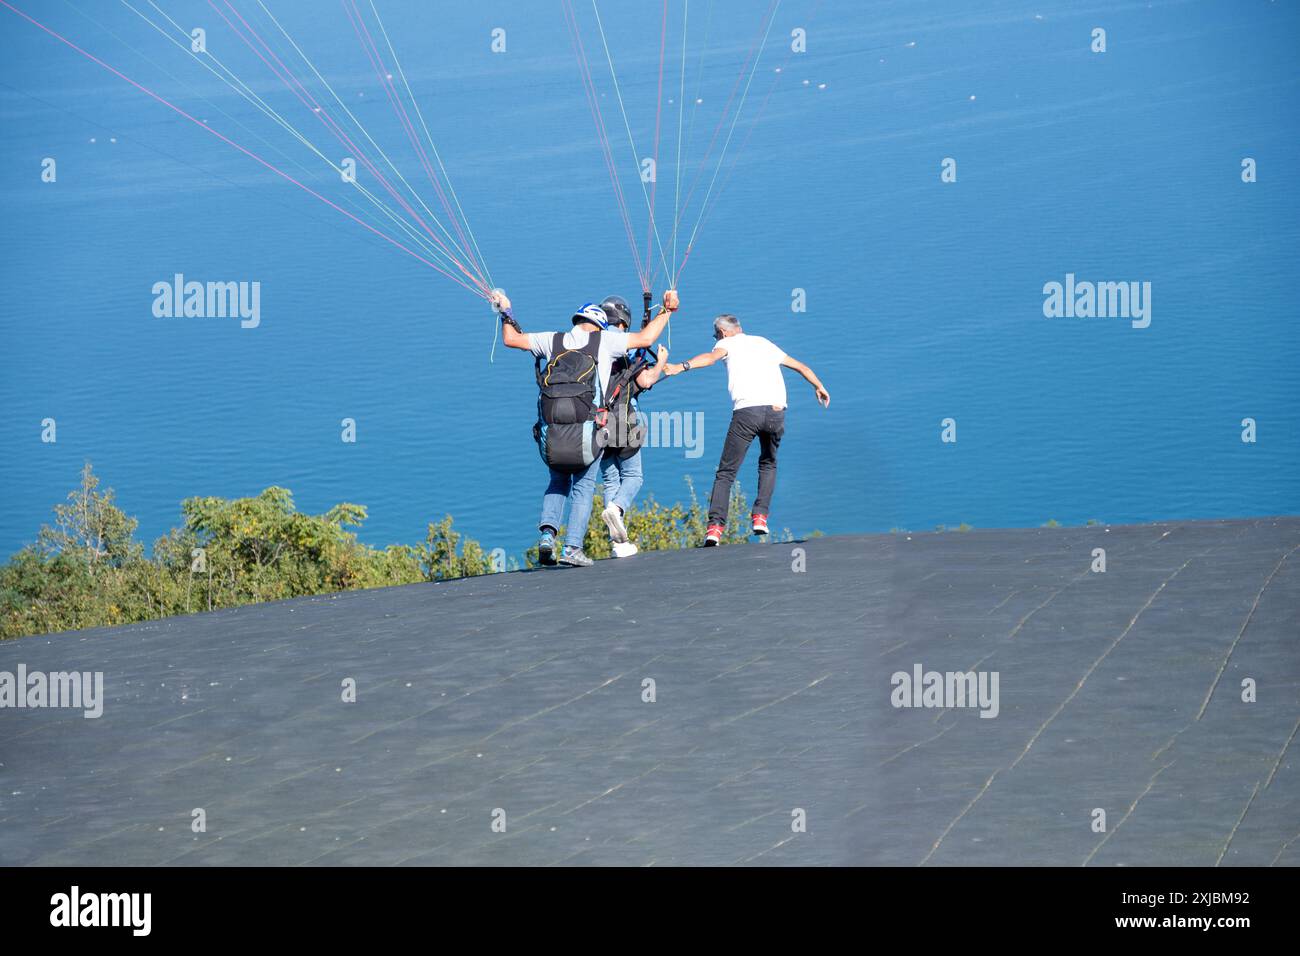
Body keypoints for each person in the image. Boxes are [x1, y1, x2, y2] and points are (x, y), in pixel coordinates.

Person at [493, 288, 678, 567]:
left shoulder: (552, 340)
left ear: (577, 319)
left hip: (552, 432)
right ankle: (572, 549)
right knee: (583, 487)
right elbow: (647, 338)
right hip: (587, 433)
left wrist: (505, 310)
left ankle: (547, 536)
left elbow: (511, 339)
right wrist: (667, 310)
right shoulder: (604, 341)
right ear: (600, 324)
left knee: (557, 482)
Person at [664, 313, 828, 546]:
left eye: (715, 334)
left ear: (722, 332)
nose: (715, 338)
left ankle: (715, 529)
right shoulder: (763, 342)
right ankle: (760, 517)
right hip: (776, 412)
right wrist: (819, 386)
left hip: (747, 413)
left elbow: (710, 359)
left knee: (726, 472)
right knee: (768, 462)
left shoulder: (725, 343)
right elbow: (801, 367)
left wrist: (680, 367)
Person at [595, 295, 669, 557]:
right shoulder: (624, 350)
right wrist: (661, 360)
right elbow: (646, 380)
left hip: (597, 426)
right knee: (634, 477)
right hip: (624, 423)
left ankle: (618, 544)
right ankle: (616, 509)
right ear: (624, 321)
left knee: (610, 478)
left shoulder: (593, 348)